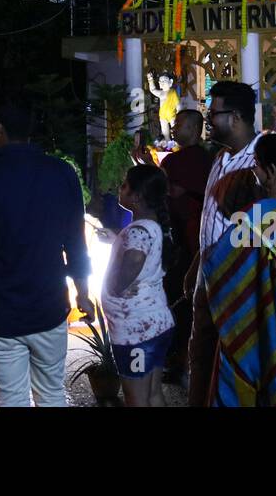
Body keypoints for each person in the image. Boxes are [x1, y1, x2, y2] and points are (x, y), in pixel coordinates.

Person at [0, 93, 92, 407]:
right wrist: (83, 294)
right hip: (49, 307)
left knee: (11, 400)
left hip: (0, 311)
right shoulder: (61, 173)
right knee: (52, 395)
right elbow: (76, 244)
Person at [202, 132, 276, 406]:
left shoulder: (261, 215)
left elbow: (218, 263)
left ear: (271, 171)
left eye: (256, 166)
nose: (254, 171)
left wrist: (204, 256)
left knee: (244, 386)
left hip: (252, 318)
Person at [185, 80, 262, 407]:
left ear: (237, 117)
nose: (208, 120)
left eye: (214, 113)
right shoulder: (219, 158)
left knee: (236, 364)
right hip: (208, 279)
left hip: (238, 287)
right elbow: (211, 219)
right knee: (200, 356)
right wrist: (196, 267)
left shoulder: (260, 163)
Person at [98, 164, 175, 407]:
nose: (120, 190)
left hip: (136, 333)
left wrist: (116, 285)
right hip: (157, 325)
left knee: (136, 400)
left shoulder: (138, 231)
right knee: (153, 394)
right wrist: (116, 241)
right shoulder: (153, 226)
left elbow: (135, 259)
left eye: (124, 185)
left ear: (137, 197)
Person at [156, 109, 213, 383]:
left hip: (194, 241)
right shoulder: (179, 160)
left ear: (194, 128)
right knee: (177, 299)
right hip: (179, 239)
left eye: (179, 124)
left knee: (182, 300)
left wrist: (184, 193)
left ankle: (182, 358)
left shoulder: (205, 161)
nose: (174, 129)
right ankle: (179, 357)